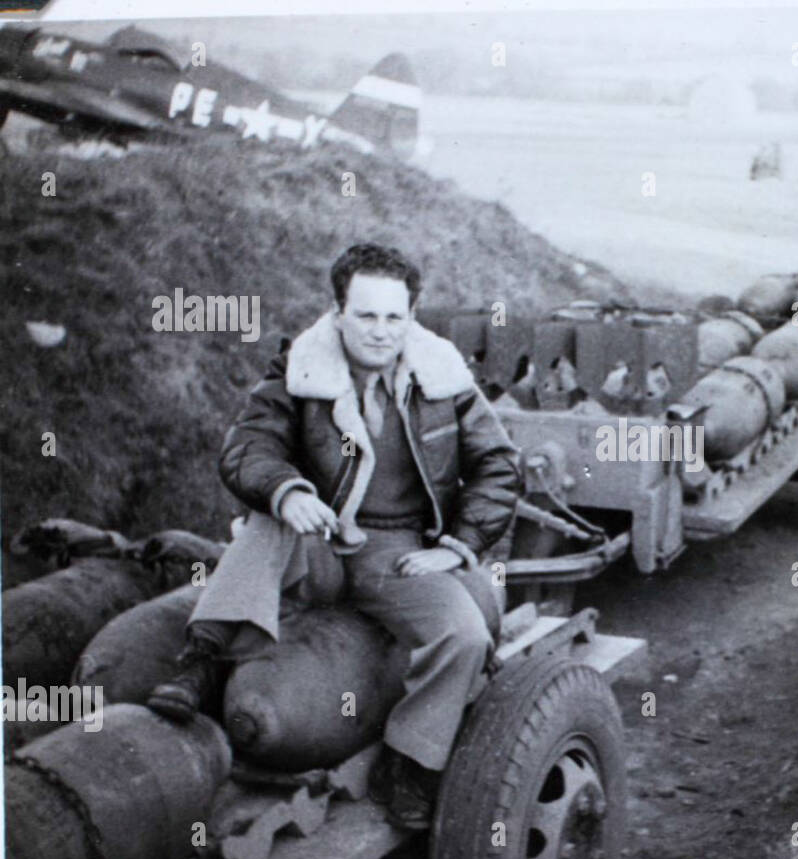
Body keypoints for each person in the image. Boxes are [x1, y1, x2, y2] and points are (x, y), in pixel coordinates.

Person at [147, 242, 522, 829]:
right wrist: (289, 491)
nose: (380, 331)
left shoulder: (444, 378)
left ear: (412, 316)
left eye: (394, 317)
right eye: (366, 315)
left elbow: (500, 465)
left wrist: (456, 547)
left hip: (399, 550)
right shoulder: (300, 368)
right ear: (338, 310)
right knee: (267, 518)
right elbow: (249, 445)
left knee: (467, 636)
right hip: (315, 540)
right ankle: (201, 662)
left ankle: (410, 761)